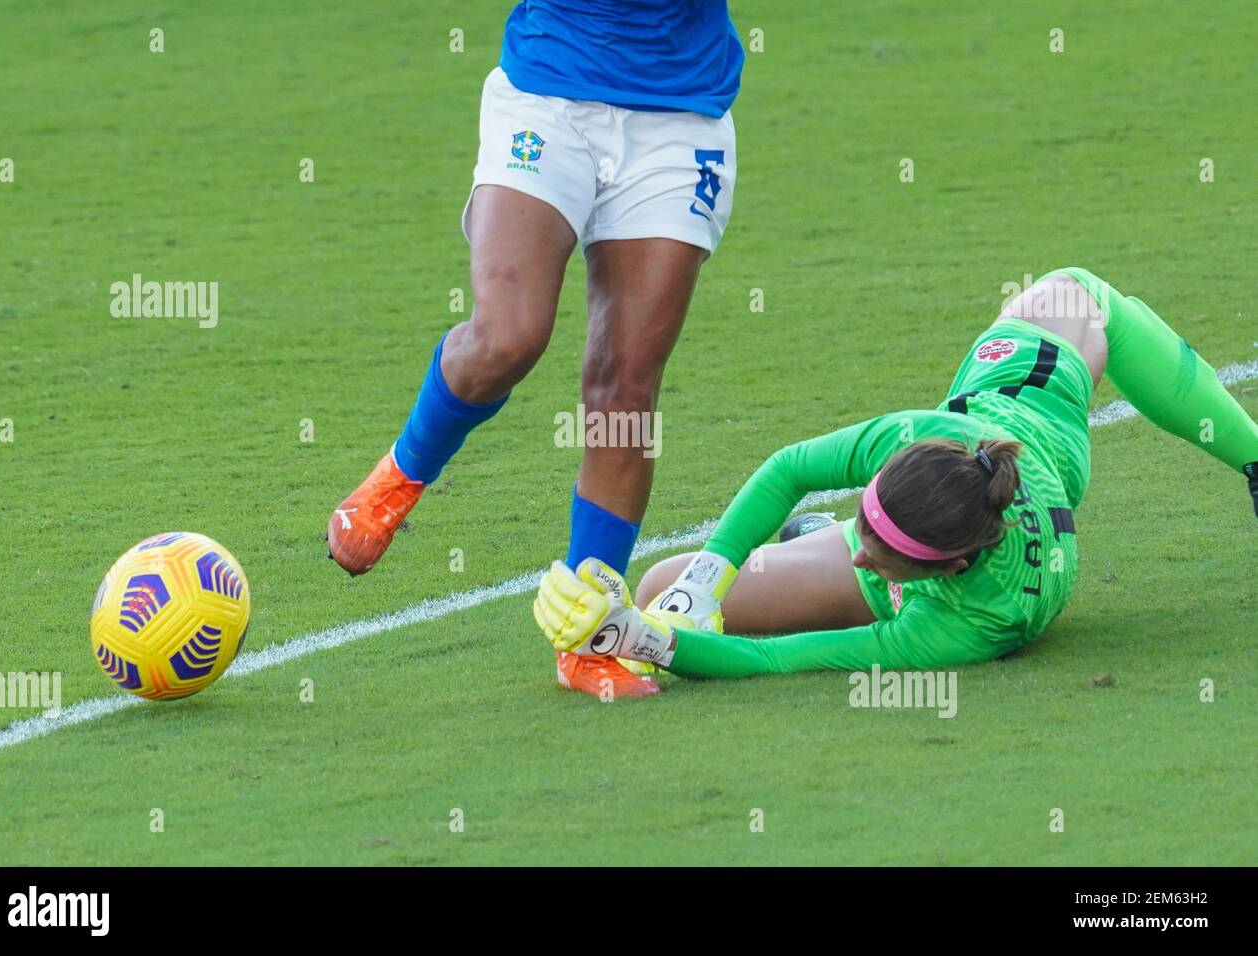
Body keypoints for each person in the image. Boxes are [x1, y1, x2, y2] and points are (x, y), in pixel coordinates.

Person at [533, 267, 1258, 682]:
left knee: (656, 586)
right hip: (1036, 439)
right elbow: (791, 466)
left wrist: (638, 635)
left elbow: (771, 662)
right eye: (864, 524)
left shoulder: (959, 627)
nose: (861, 547)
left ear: (947, 567)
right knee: (1076, 292)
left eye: (874, 550)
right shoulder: (935, 437)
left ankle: (810, 544)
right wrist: (710, 578)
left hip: (989, 536)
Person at [327, 2, 745, 697]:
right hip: (549, 94)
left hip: (681, 121)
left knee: (625, 386)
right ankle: (398, 479)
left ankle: (589, 635)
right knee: (507, 335)